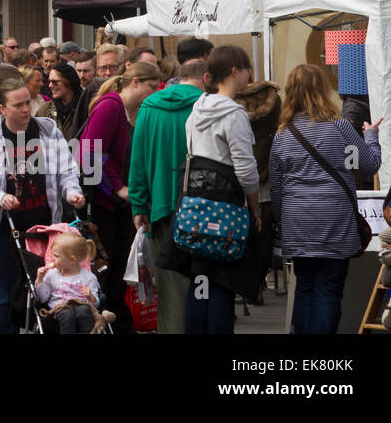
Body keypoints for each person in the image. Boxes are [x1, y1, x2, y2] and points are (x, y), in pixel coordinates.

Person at [270, 63, 382, 334]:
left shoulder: (282, 134)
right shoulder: (340, 128)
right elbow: (369, 165)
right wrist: (371, 136)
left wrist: (283, 221)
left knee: (305, 286)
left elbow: (277, 186)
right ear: (322, 90)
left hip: (298, 223)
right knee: (328, 289)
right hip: (334, 222)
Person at [0, 77, 86, 333]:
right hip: (2, 226)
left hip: (42, 225)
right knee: (6, 291)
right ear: (2, 108)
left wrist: (72, 192)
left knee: (43, 288)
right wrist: (0, 197)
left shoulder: (47, 130)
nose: (25, 110)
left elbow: (67, 170)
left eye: (27, 103)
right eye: (17, 105)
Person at [160, 45, 262, 335]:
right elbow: (244, 167)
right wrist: (254, 206)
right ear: (234, 72)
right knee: (222, 283)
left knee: (200, 279)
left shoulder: (197, 109)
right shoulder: (234, 114)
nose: (249, 75)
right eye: (246, 69)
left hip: (195, 206)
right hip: (226, 206)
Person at [78, 60, 161, 333]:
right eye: (151, 86)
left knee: (118, 270)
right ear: (134, 81)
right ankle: (110, 322)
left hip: (120, 205)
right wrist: (116, 187)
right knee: (108, 268)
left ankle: (116, 321)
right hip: (104, 205)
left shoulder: (131, 109)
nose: (154, 91)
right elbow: (89, 154)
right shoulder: (111, 106)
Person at [129, 56, 207, 334]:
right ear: (206, 77)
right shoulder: (207, 106)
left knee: (172, 292)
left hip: (162, 208)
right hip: (205, 209)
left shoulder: (149, 106)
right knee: (204, 288)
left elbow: (137, 162)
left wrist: (138, 206)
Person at [34, 230, 103, 334]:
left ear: (72, 260)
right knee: (67, 314)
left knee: (84, 310)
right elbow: (43, 299)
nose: (52, 259)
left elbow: (96, 304)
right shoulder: (51, 275)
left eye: (56, 256)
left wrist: (91, 297)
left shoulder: (89, 277)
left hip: (82, 308)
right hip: (59, 310)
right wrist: (39, 279)